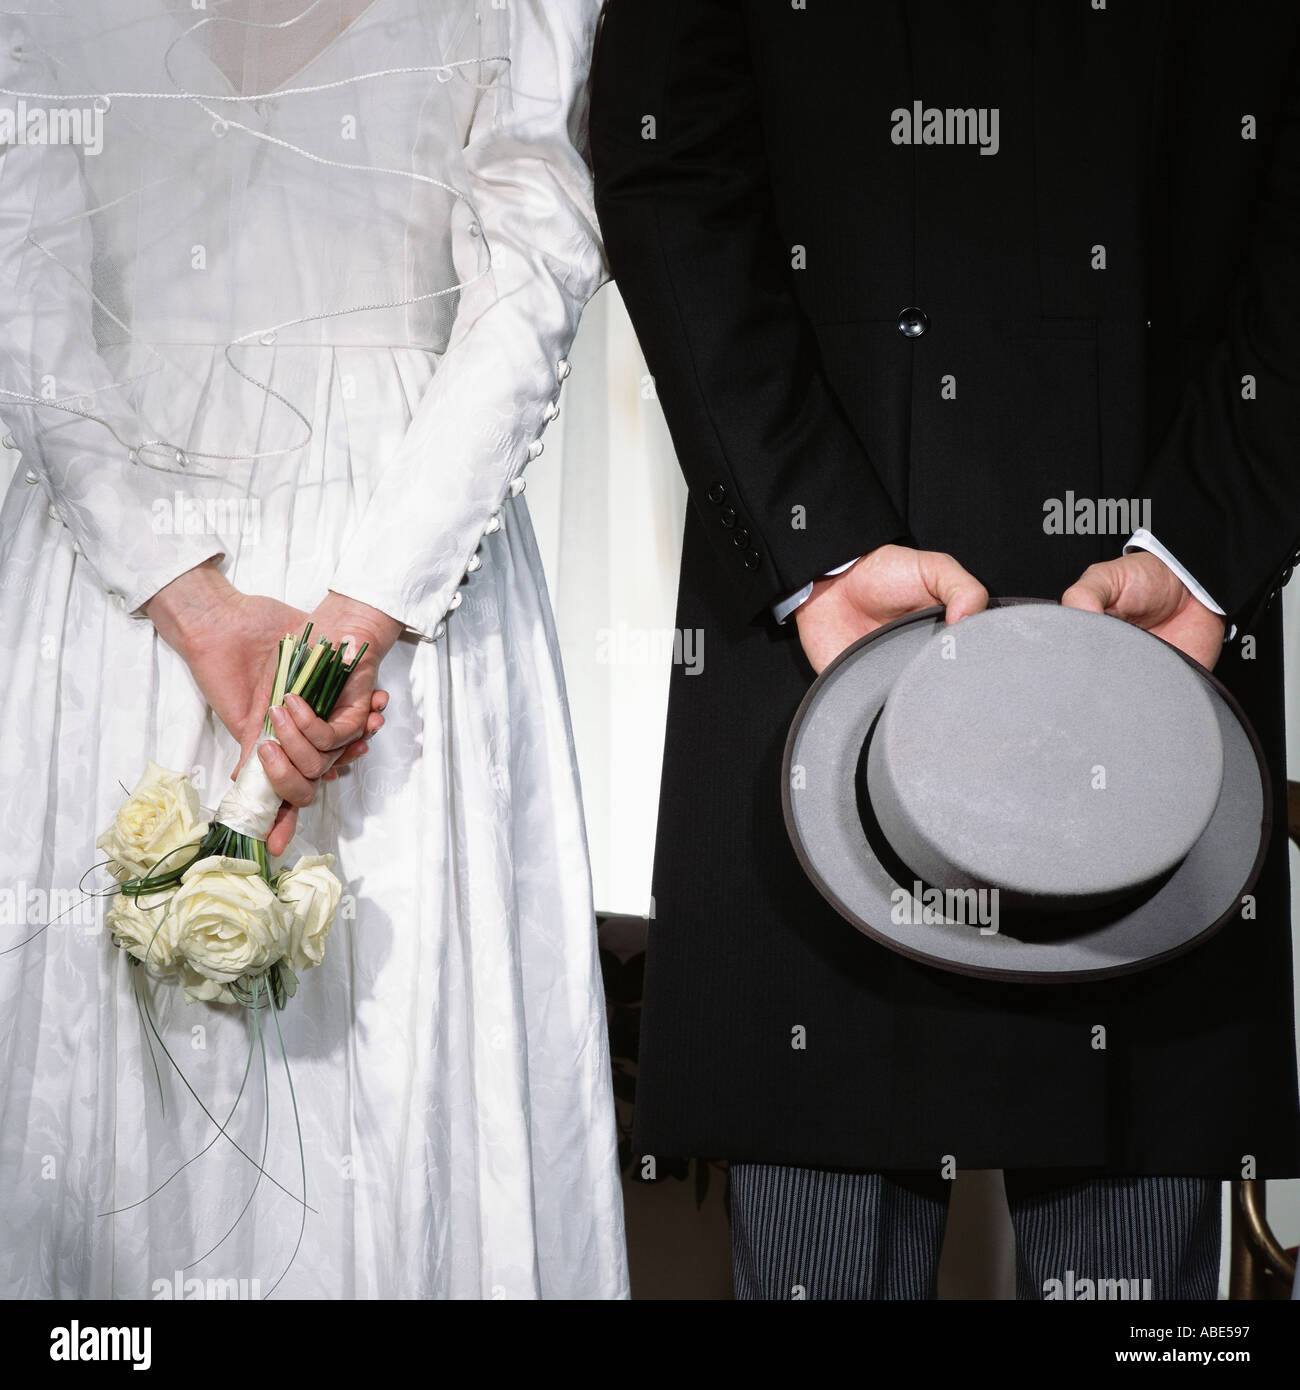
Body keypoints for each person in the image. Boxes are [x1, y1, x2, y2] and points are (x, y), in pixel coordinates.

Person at [590, 0, 1300, 1299]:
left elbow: (668, 152)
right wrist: (822, 552)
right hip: (825, 675)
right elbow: (663, 143)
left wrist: (1209, 551)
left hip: (1133, 677)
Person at [0, 0, 627, 1299]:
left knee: (386, 1103)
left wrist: (349, 628)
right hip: (122, 604)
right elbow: (21, 286)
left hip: (399, 590)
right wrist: (198, 601)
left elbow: (530, 278)